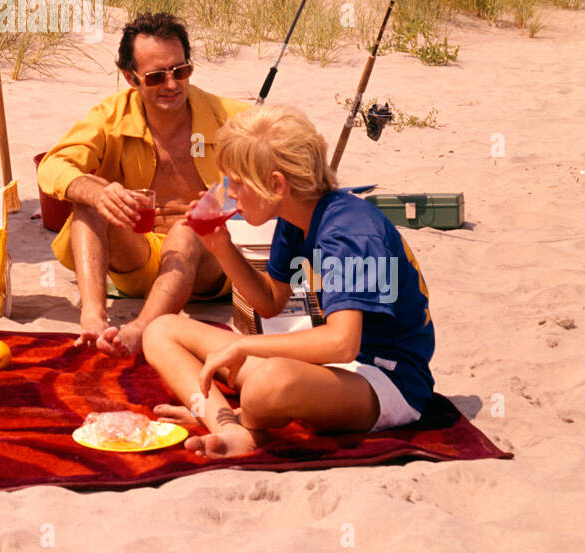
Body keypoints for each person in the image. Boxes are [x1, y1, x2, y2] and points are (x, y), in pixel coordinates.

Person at [142, 103, 435, 457]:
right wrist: (220, 246)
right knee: (161, 330)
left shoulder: (351, 232)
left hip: (385, 379)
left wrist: (244, 347)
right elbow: (269, 302)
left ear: (276, 184)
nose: (229, 193)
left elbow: (343, 343)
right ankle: (227, 425)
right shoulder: (295, 217)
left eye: (235, 182)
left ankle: (236, 419)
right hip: (326, 366)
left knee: (266, 386)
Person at [36, 12, 249, 356]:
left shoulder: (230, 116)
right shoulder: (110, 116)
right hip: (139, 258)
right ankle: (93, 317)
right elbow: (53, 166)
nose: (172, 84)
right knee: (89, 197)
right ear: (129, 77)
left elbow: (291, 155)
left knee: (188, 228)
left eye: (181, 71)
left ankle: (141, 328)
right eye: (156, 77)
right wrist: (99, 191)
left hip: (210, 267)